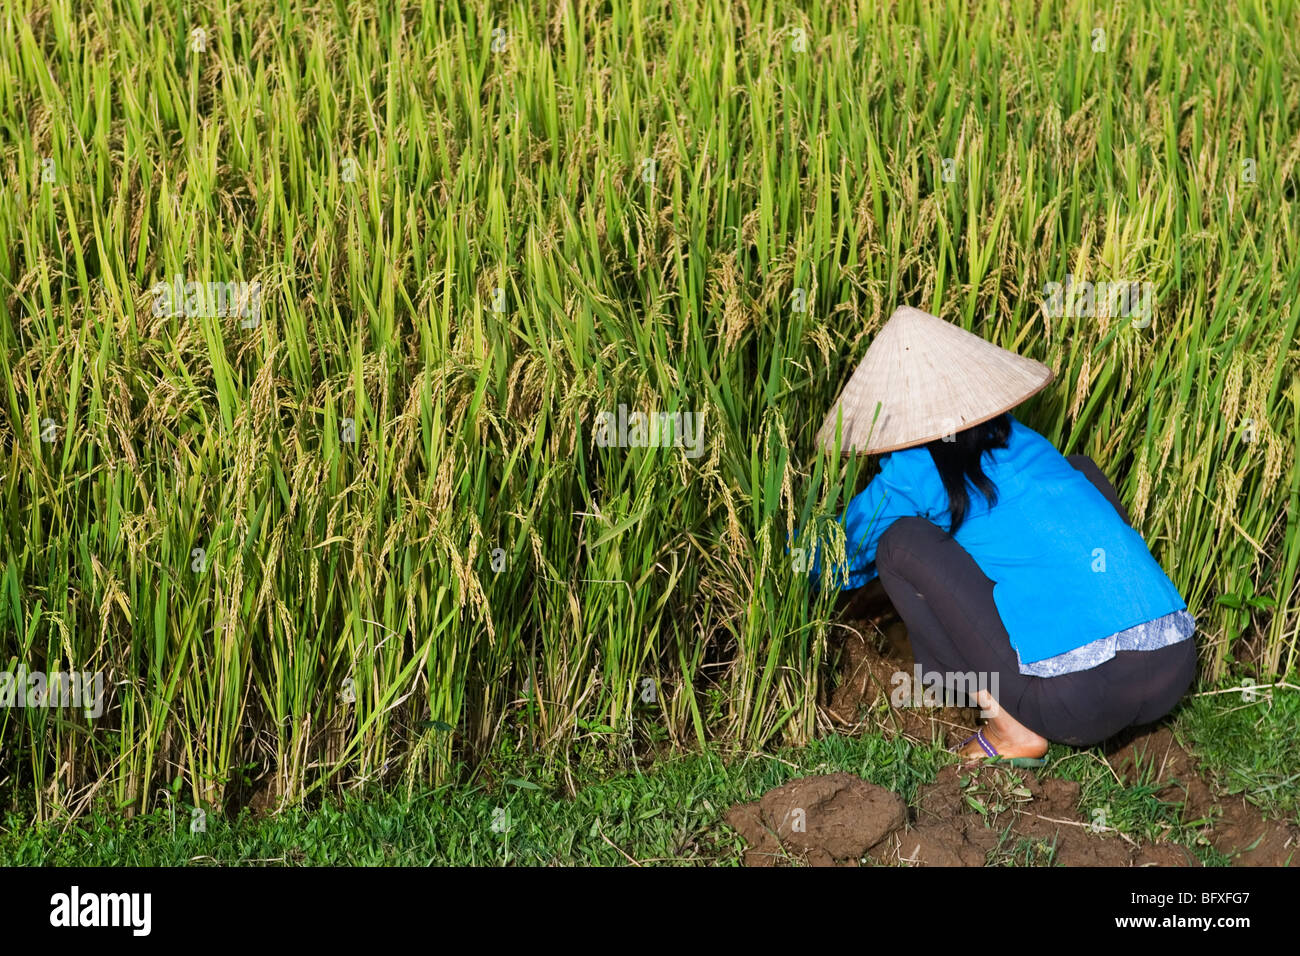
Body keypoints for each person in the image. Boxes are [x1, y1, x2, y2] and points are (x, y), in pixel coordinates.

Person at [809, 306, 1196, 764]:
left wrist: (776, 554)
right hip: (1174, 664)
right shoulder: (1026, 439)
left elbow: (835, 559)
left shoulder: (912, 470)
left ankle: (1007, 722)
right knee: (1081, 471)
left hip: (1078, 703)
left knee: (898, 544)